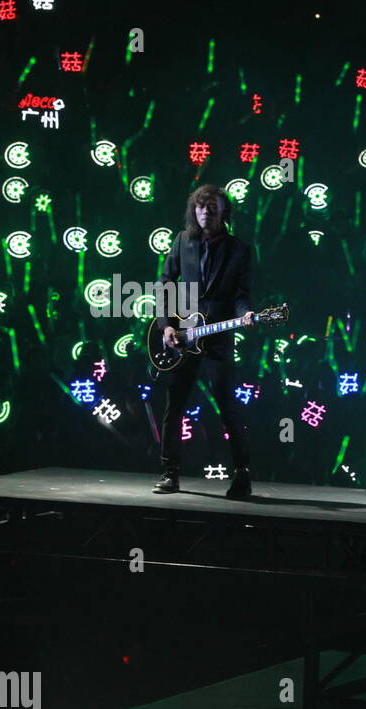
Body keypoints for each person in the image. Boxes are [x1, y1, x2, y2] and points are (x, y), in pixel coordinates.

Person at [152, 184, 255, 498]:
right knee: (175, 406)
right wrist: (166, 326)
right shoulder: (182, 241)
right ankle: (170, 474)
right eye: (200, 207)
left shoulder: (239, 249)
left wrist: (247, 314)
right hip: (183, 337)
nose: (205, 213)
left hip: (218, 339)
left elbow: (241, 295)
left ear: (223, 212)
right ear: (193, 211)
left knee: (228, 407)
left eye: (212, 208)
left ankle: (242, 476)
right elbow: (165, 282)